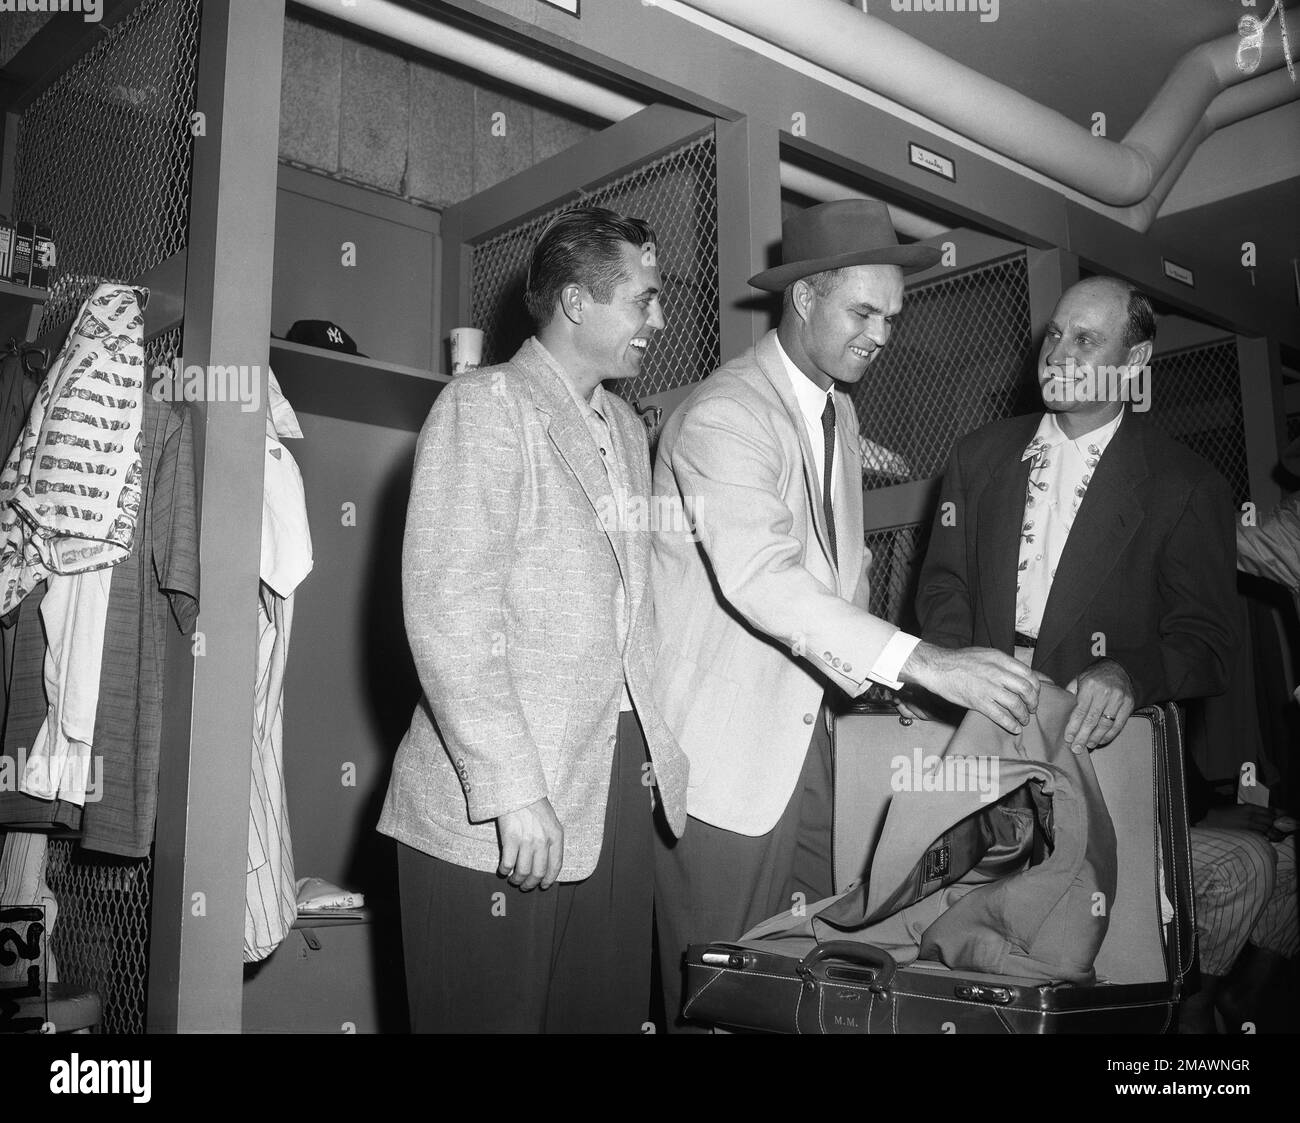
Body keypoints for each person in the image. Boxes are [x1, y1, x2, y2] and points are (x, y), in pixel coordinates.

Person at [649, 199, 1043, 1030]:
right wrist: (924, 659)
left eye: (893, 316)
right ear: (803, 298)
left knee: (805, 984)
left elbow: (837, 580)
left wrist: (880, 689)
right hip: (726, 769)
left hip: (813, 755)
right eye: (863, 311)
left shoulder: (839, 410)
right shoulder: (724, 413)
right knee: (720, 1002)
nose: (882, 335)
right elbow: (763, 575)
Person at [377, 207, 688, 1033]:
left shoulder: (625, 427)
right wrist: (513, 790)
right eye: (644, 299)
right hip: (500, 807)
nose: (659, 319)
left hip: (611, 791)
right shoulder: (484, 405)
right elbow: (448, 614)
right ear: (578, 303)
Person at [914, 274, 1246, 1028]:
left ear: (1136, 360)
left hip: (1106, 753)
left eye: (1086, 339)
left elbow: (1209, 641)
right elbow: (940, 591)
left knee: (1098, 968)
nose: (1058, 353)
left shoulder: (1187, 485)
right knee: (958, 950)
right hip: (981, 736)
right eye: (1054, 335)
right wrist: (971, 670)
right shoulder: (977, 456)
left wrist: (1130, 671)